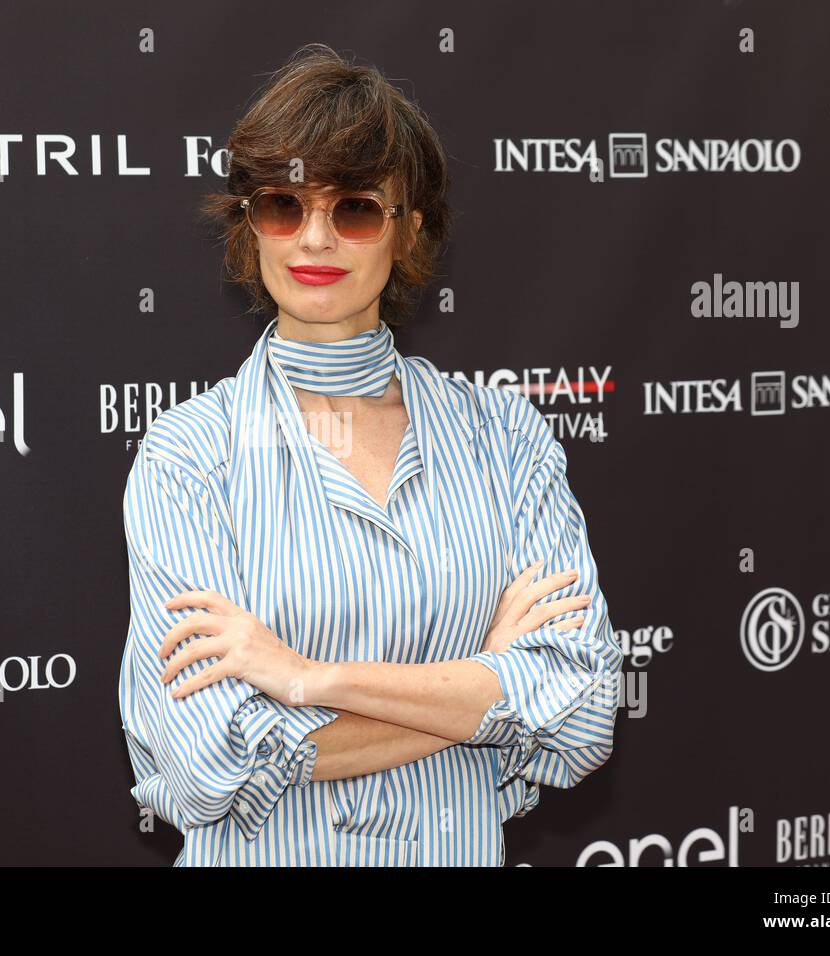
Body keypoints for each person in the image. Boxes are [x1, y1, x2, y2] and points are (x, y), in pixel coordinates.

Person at [117, 43, 623, 866]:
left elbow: (584, 710)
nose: (315, 237)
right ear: (251, 226)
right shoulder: (188, 456)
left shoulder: (504, 437)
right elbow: (208, 763)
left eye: (354, 207)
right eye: (283, 204)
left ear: (408, 230)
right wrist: (487, 679)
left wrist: (305, 679)